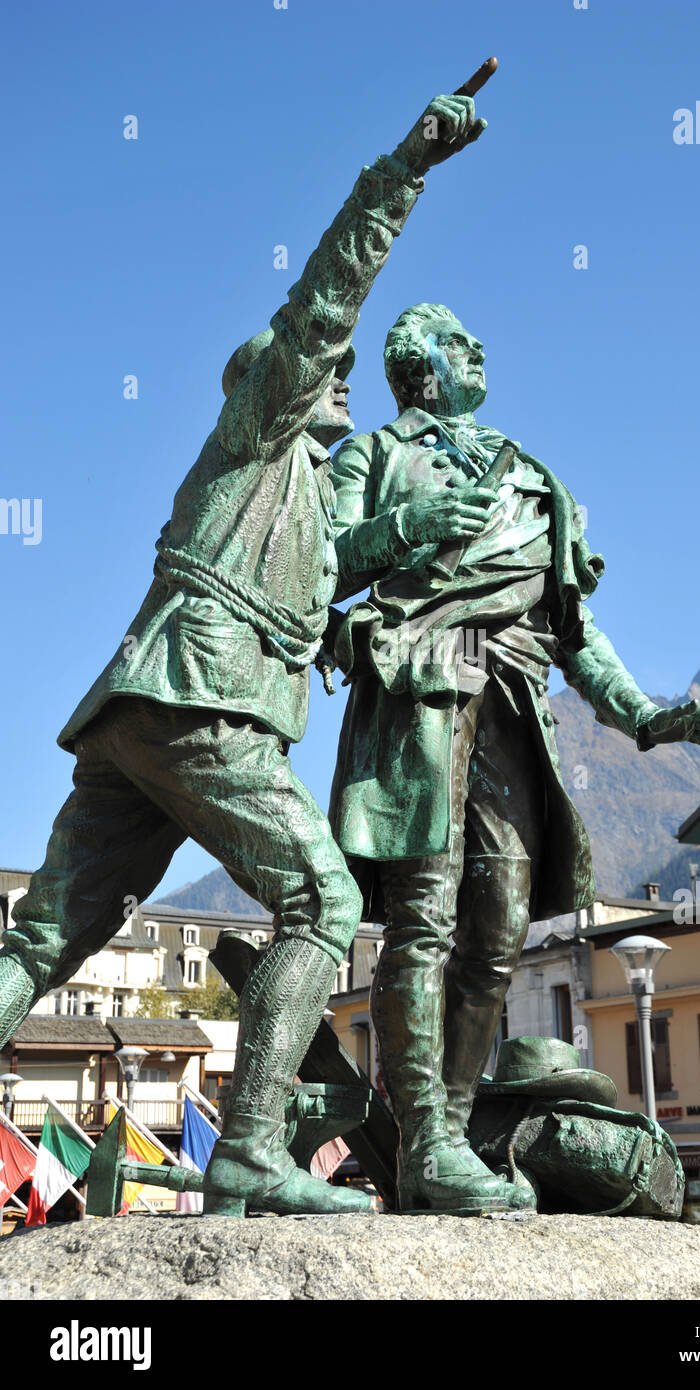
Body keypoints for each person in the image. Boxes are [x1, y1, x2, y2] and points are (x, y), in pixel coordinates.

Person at [0, 102, 487, 1217]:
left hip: (143, 707)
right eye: (332, 367)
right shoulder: (262, 420)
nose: (346, 374)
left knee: (48, 933)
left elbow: (327, 572)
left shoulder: (301, 492)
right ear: (281, 378)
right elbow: (328, 292)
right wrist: (405, 168)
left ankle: (251, 1148)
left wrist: (414, 531)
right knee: (320, 900)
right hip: (200, 698)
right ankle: (252, 1146)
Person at [327, 302, 700, 1213]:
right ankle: (426, 1136)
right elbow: (322, 560)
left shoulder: (531, 475)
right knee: (422, 923)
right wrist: (412, 524)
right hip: (420, 695)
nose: (481, 351)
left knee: (498, 932)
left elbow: (575, 630)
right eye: (461, 342)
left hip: (515, 704)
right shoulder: (374, 455)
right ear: (422, 367)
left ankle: (458, 1130)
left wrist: (643, 714)